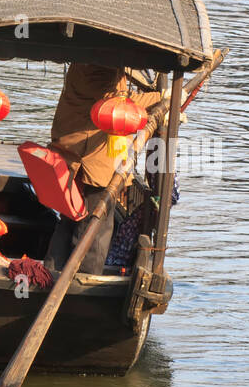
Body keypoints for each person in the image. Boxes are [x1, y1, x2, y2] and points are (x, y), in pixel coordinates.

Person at [44, 64, 162, 276]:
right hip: (90, 157)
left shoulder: (95, 60)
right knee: (95, 226)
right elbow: (118, 105)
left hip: (80, 152)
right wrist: (162, 98)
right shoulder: (98, 66)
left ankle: (53, 272)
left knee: (72, 219)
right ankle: (84, 281)